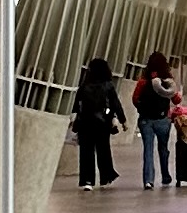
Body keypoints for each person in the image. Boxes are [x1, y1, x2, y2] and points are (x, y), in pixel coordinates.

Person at [71, 52, 126, 189]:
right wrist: (123, 120)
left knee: (86, 152)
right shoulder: (108, 86)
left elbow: (76, 105)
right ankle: (105, 177)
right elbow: (115, 104)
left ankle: (88, 181)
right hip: (103, 123)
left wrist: (73, 119)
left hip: (85, 123)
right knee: (103, 150)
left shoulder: (84, 86)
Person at [133, 48, 177, 189]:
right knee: (163, 149)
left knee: (148, 150)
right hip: (163, 119)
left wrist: (142, 108)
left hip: (146, 120)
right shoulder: (168, 82)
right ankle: (165, 175)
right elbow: (176, 99)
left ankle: (148, 180)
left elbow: (135, 99)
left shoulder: (143, 82)